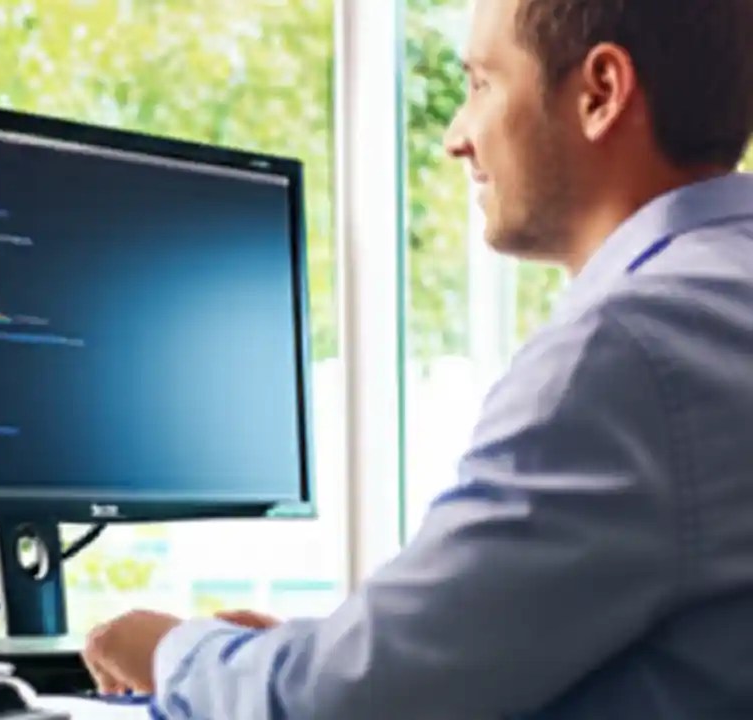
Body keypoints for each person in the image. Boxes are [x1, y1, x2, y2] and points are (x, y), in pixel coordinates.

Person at [81, 0, 753, 717]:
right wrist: (334, 651)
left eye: (480, 84)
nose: (456, 137)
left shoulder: (626, 349)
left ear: (600, 94)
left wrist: (171, 650)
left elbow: (343, 705)